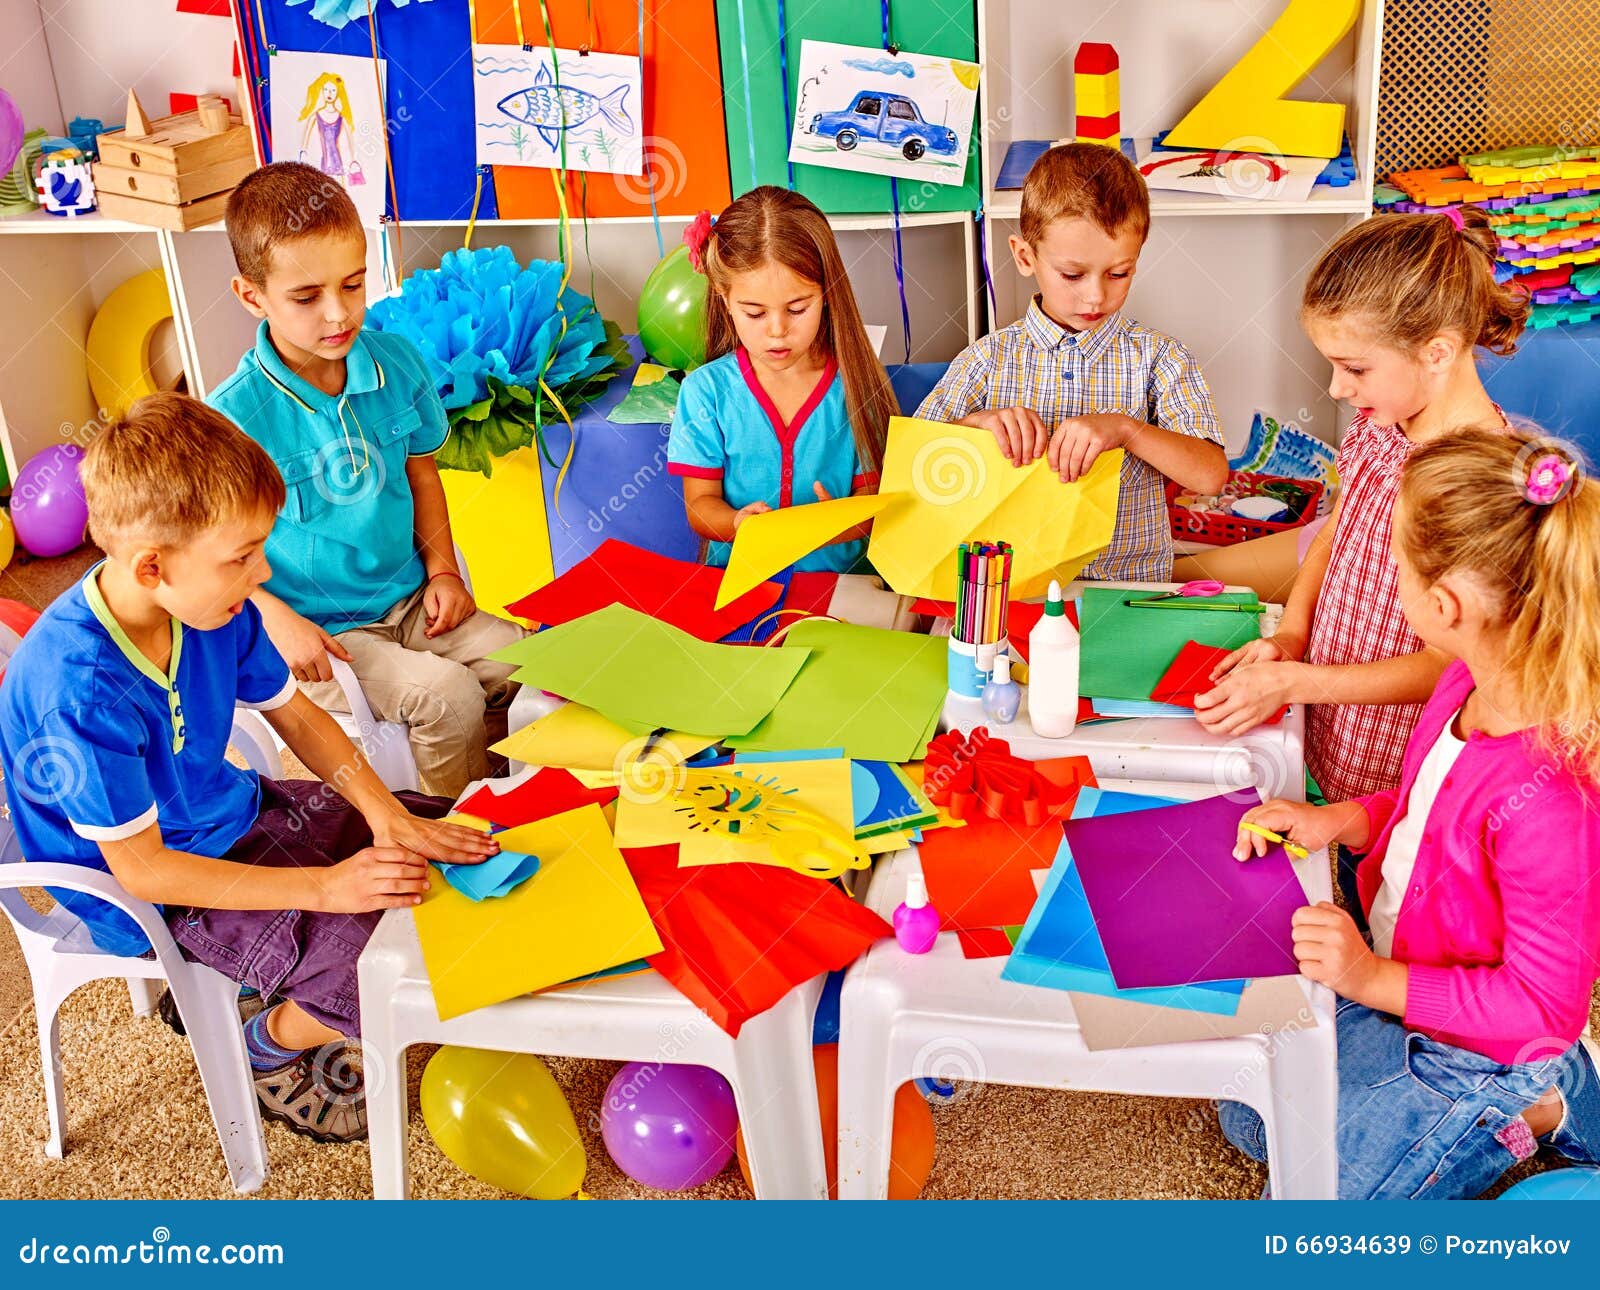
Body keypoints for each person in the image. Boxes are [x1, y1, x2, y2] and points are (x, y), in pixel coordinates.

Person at [0, 394, 498, 1142]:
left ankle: (275, 961)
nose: (261, 573)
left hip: (236, 814)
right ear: (151, 567)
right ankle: (265, 1045)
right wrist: (327, 888)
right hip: (147, 891)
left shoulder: (214, 609)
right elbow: (144, 872)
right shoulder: (77, 685)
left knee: (440, 838)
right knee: (377, 961)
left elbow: (297, 715)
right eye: (242, 558)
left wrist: (384, 811)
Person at [1221, 428, 1600, 1198]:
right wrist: (1343, 822)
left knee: (1307, 1202)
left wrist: (1365, 976)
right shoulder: (1464, 681)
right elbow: (1424, 809)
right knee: (1248, 1114)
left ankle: (1545, 1101)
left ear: (1445, 603)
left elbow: (1540, 1003)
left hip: (1488, 1047)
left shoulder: (1551, 802)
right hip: (1409, 977)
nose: (1386, 578)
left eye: (1394, 565)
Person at [208, 161, 526, 797]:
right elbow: (212, 556)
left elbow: (423, 476)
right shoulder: (233, 418)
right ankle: (450, 833)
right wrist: (273, 617)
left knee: (533, 660)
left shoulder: (397, 364)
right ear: (252, 296)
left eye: (353, 286)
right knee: (447, 697)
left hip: (412, 601)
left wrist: (442, 572)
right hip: (319, 634)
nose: (338, 314)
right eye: (306, 297)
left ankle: (503, 787)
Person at [916, 142, 1227, 582]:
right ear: (1026, 257)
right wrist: (976, 429)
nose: (1097, 295)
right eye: (1073, 275)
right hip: (1008, 590)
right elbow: (917, 463)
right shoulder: (988, 358)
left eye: (1119, 273)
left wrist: (1127, 429)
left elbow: (1211, 477)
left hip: (1124, 591)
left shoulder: (1160, 358)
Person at [667, 187, 900, 571]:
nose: (777, 331)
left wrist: (841, 521)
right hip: (742, 586)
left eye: (797, 308)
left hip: (841, 590)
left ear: (826, 294)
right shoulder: (705, 392)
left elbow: (874, 501)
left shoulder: (856, 382)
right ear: (725, 298)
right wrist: (739, 523)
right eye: (755, 313)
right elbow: (700, 507)